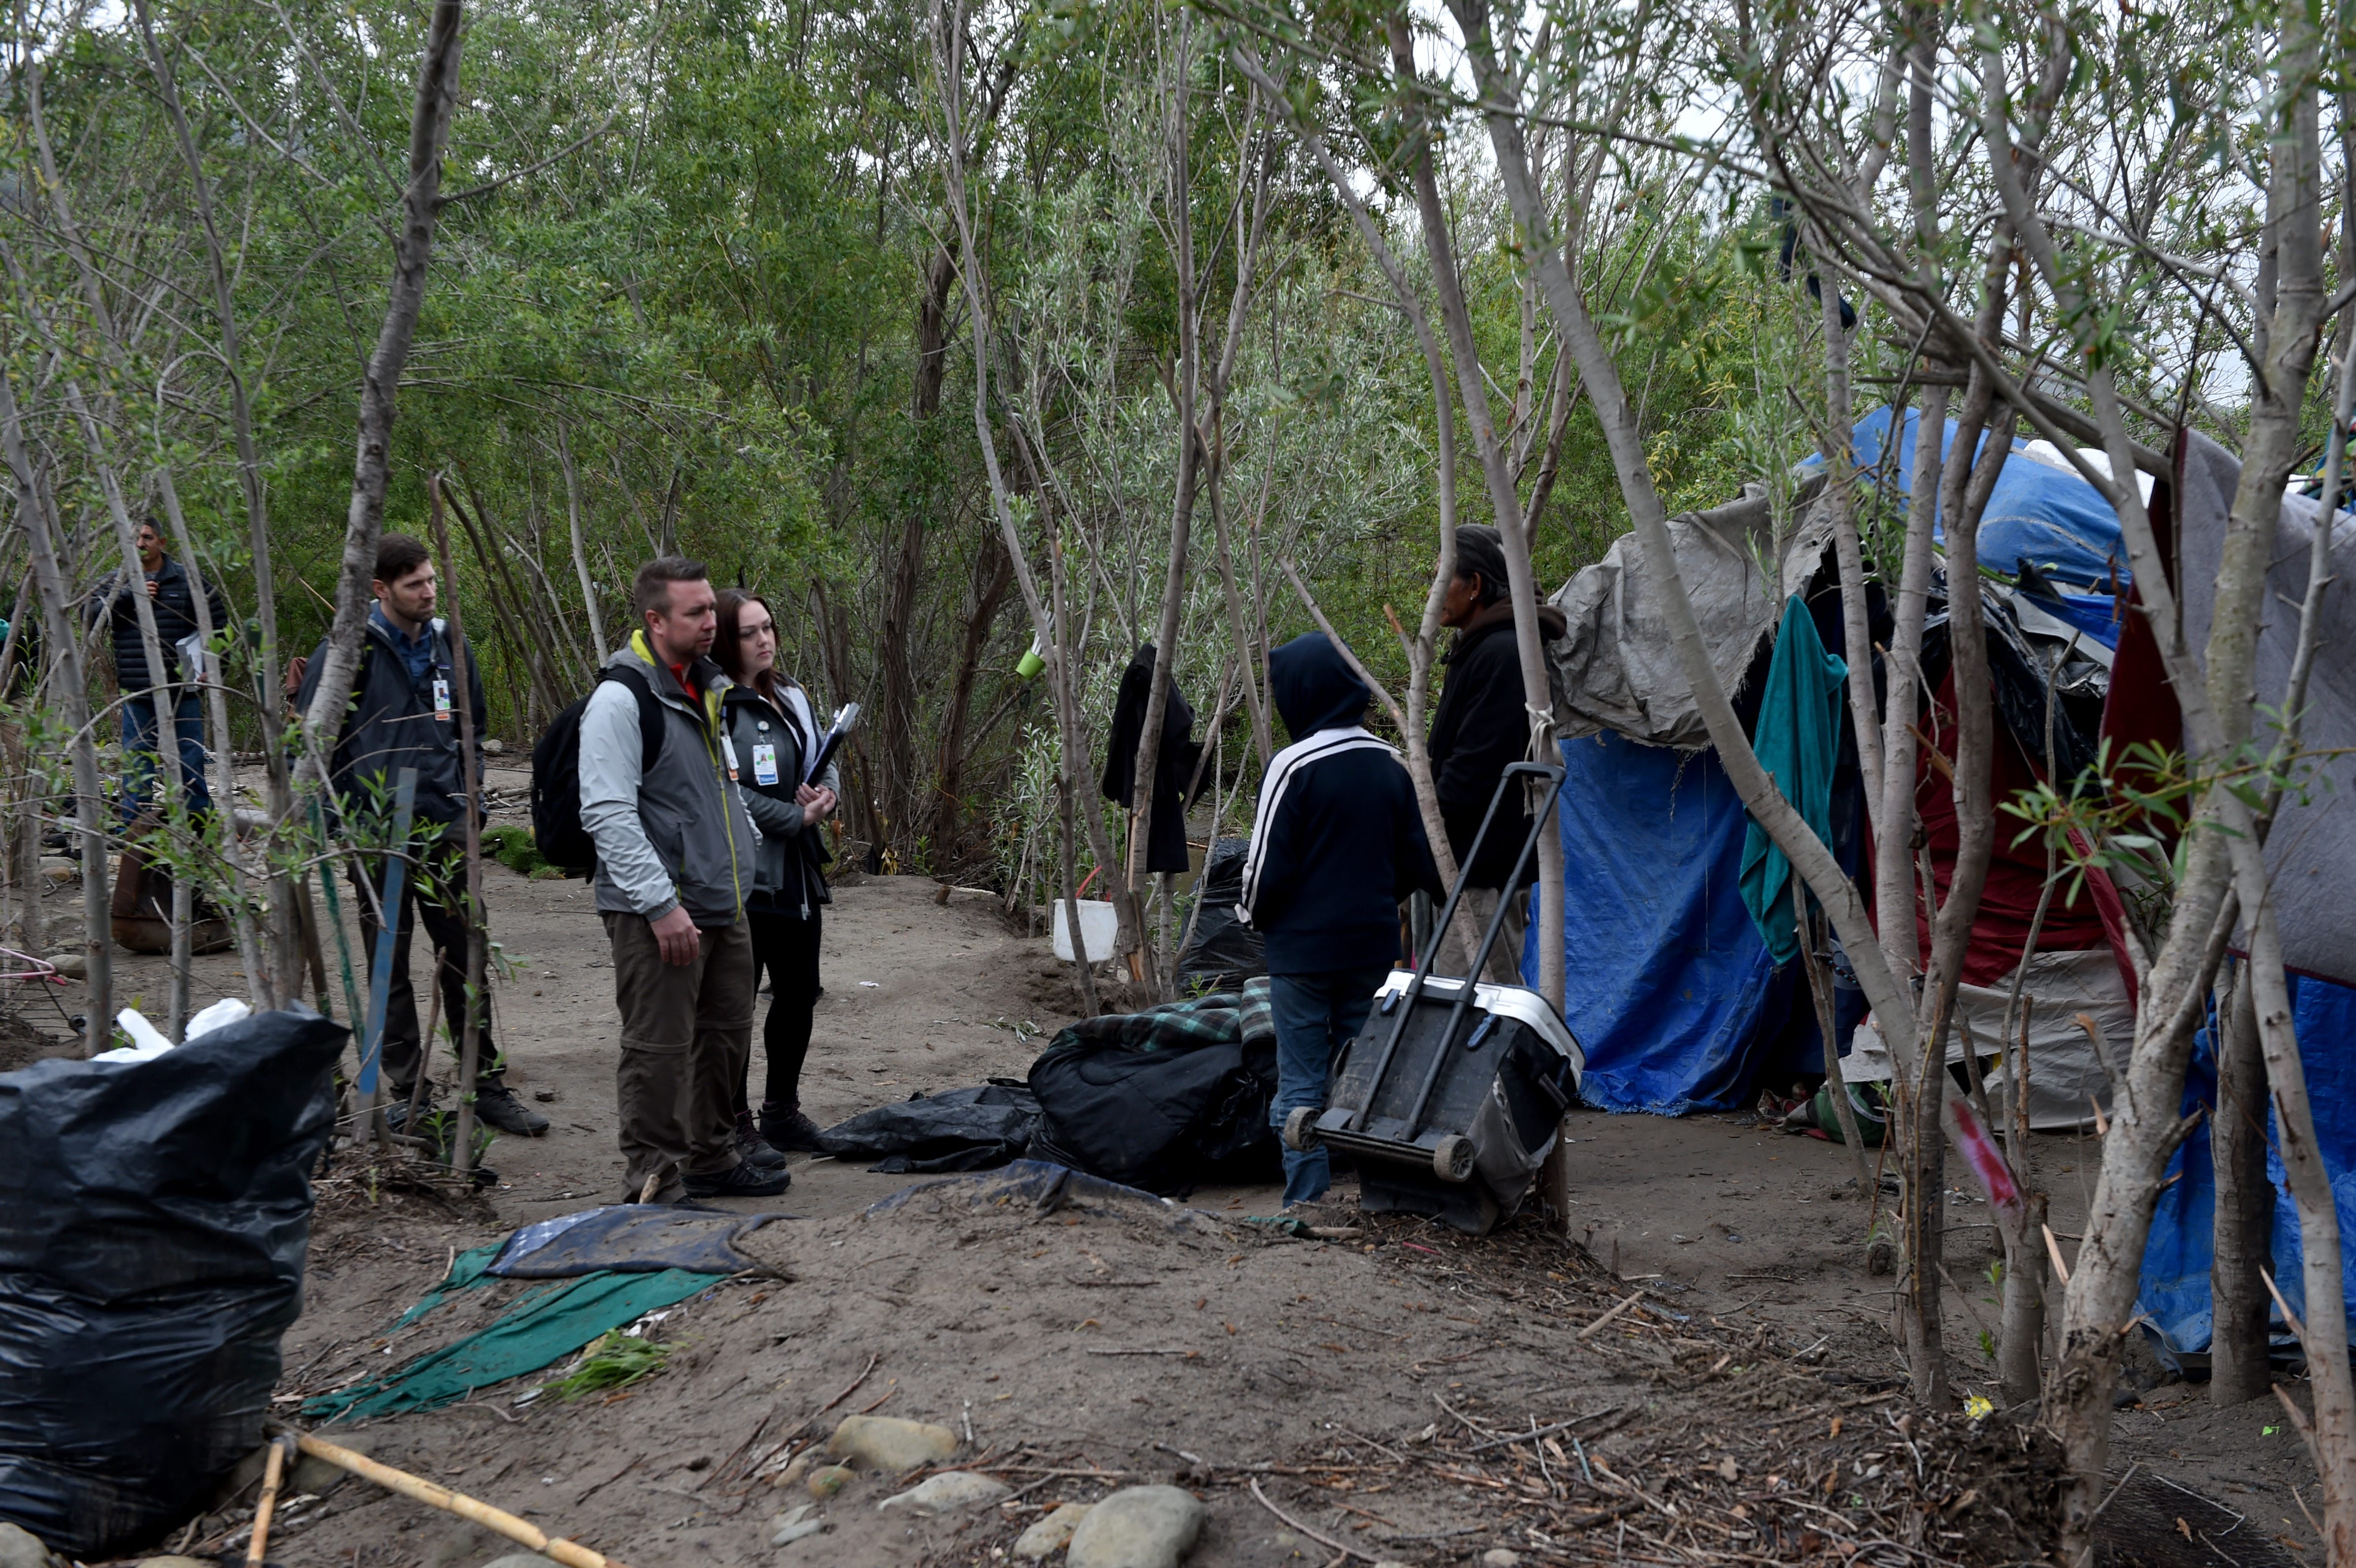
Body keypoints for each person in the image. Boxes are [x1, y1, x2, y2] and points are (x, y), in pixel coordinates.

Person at [296, 534, 548, 1139]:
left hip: (446, 827)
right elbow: (314, 742)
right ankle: (408, 1092)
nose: (429, 591)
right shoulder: (345, 652)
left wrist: (472, 795)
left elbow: (473, 723)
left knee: (467, 954)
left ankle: (483, 1084)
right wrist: (338, 825)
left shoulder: (450, 645)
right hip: (377, 832)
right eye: (415, 584)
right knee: (390, 966)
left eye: (432, 580)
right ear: (380, 590)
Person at [579, 557, 783, 1201]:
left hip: (723, 902)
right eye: (694, 612)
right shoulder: (622, 698)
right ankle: (654, 1177)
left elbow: (716, 793)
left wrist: (744, 863)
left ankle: (710, 1156)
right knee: (658, 1048)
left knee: (724, 1038)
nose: (709, 622)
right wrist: (659, 903)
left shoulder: (708, 686)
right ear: (654, 618)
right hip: (659, 911)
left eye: (709, 609)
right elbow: (606, 811)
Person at [1241, 632, 1443, 1207]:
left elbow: (1265, 871)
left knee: (1301, 1079)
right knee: (1366, 1071)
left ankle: (1306, 1201)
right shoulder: (1391, 764)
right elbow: (1416, 862)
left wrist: (1254, 917)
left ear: (1300, 693)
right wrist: (1373, 902)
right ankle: (1379, 1193)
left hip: (1302, 953)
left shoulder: (1293, 765)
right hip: (1372, 947)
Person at [714, 590, 839, 1161]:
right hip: (742, 875)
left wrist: (827, 794)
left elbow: (822, 754)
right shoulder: (715, 703)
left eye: (769, 626)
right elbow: (723, 791)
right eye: (749, 631)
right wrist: (792, 816)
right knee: (735, 1001)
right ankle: (734, 1123)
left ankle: (781, 1111)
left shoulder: (790, 693)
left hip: (796, 872)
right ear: (723, 638)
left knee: (798, 992)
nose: (764, 639)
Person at [1425, 524, 1567, 983]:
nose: (1432, 592)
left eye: (1442, 577)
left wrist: (1416, 830)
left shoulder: (1504, 653)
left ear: (1476, 585)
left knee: (1475, 1005)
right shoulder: (1480, 647)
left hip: (1481, 872)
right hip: (1466, 868)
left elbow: (1474, 774)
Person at [90, 519, 224, 824]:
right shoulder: (116, 582)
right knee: (138, 763)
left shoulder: (189, 580)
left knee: (190, 760)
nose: (140, 544)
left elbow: (218, 627)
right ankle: (133, 835)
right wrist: (129, 596)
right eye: (135, 538)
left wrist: (216, 670)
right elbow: (90, 618)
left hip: (183, 687)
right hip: (138, 690)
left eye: (147, 538)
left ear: (162, 542)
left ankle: (200, 827)